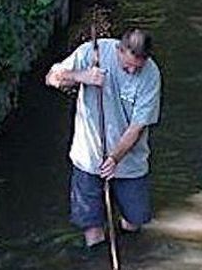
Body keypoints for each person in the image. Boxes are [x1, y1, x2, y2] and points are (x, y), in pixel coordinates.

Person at [45, 28, 161, 248]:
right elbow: (51, 78)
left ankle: (130, 256)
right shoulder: (92, 53)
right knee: (92, 227)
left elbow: (137, 127)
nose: (131, 71)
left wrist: (115, 158)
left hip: (129, 162)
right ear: (119, 50)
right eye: (127, 65)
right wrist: (81, 76)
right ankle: (98, 266)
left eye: (138, 68)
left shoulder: (151, 75)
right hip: (88, 158)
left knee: (135, 221)